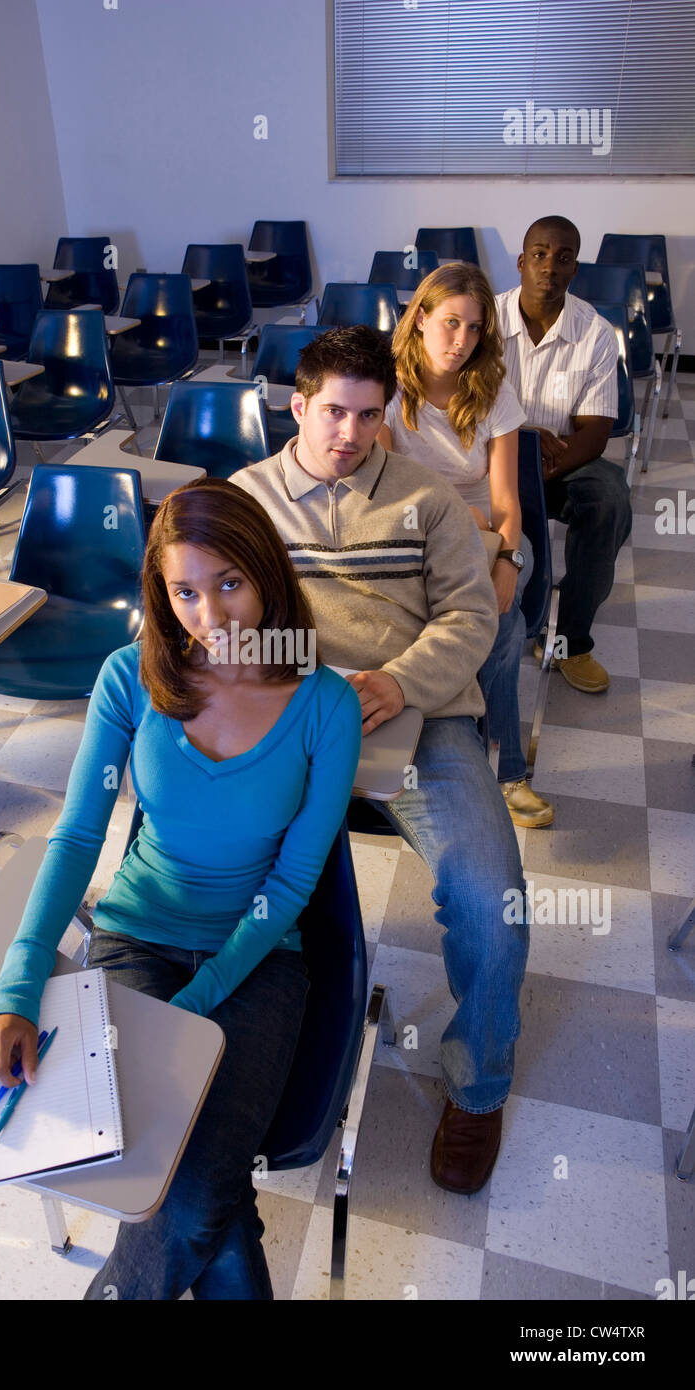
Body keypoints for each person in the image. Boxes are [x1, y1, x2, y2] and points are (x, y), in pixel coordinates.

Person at [0, 477, 362, 1300]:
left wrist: (196, 1004)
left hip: (258, 958)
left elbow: (293, 880)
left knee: (187, 1198)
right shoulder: (128, 678)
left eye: (230, 583)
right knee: (188, 1185)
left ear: (268, 573)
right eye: (184, 592)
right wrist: (17, 986)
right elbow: (77, 838)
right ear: (159, 592)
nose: (210, 616)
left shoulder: (325, 703)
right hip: (136, 936)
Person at [232, 325, 530, 1196]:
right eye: (334, 412)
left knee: (493, 904)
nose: (351, 434)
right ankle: (245, 1047)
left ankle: (477, 1087)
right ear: (297, 406)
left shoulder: (426, 499)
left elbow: (472, 619)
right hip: (289, 720)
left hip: (421, 719)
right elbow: (212, 625)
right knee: (209, 869)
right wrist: (299, 684)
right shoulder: (246, 502)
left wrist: (399, 683)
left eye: (369, 416)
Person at [377, 261, 554, 829]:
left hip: (488, 537)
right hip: (418, 534)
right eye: (451, 323)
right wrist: (460, 516)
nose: (462, 340)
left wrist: (509, 560)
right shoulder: (388, 388)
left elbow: (506, 503)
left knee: (501, 618)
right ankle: (487, 765)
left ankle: (493, 767)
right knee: (495, 627)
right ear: (420, 318)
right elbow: (387, 493)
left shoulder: (492, 391)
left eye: (475, 328)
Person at [496, 215, 632, 693]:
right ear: (521, 261)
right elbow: (463, 405)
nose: (549, 266)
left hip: (562, 462)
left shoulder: (595, 332)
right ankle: (485, 625)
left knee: (609, 500)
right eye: (539, 254)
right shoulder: (486, 321)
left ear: (576, 268)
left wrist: (539, 462)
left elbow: (595, 433)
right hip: (493, 454)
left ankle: (569, 641)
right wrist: (521, 439)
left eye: (563, 258)